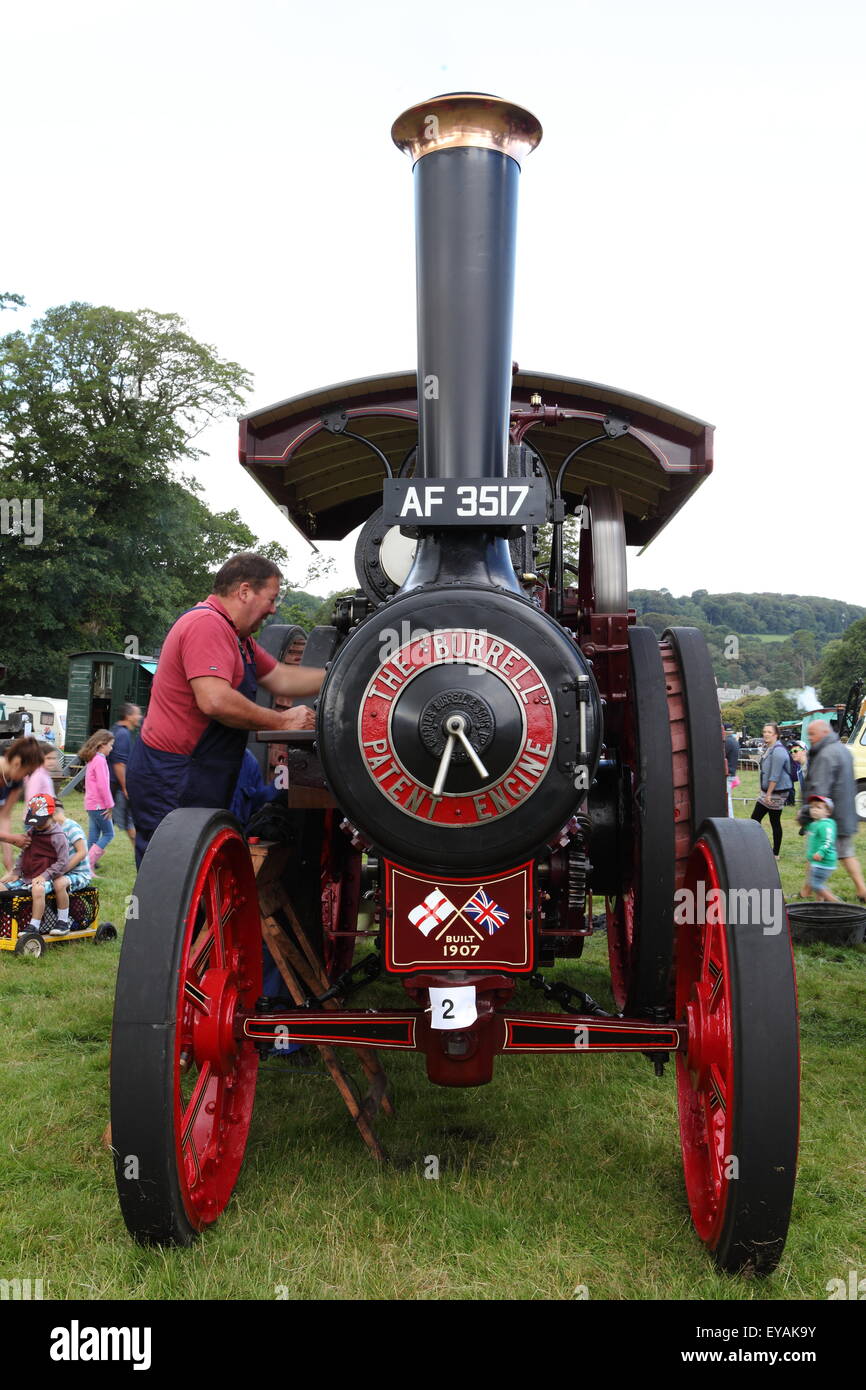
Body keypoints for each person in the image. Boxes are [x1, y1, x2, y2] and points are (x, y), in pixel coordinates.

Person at [127, 553, 324, 866]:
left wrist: (345, 677)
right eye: (271, 599)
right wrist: (282, 719)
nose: (273, 609)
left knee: (200, 876)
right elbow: (215, 700)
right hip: (173, 775)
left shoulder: (238, 638)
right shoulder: (206, 625)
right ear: (244, 591)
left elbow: (282, 678)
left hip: (199, 775)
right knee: (172, 879)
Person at [799, 719, 866, 903]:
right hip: (844, 812)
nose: (810, 738)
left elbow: (820, 788)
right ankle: (861, 890)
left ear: (824, 733)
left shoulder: (826, 754)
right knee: (846, 854)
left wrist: (806, 813)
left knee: (817, 852)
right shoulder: (843, 750)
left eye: (812, 734)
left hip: (828, 816)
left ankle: (819, 896)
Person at [0, 792, 69, 934]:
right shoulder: (32, 833)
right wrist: (16, 872)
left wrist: (44, 876)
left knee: (37, 889)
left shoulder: (58, 837)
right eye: (34, 822)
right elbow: (24, 853)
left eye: (40, 822)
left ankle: (34, 926)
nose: (36, 826)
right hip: (27, 877)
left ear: (51, 815)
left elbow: (63, 862)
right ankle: (7, 923)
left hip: (48, 878)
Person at [45, 796, 93, 936]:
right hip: (62, 872)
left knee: (59, 883)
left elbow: (82, 852)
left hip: (79, 873)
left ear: (53, 814)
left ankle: (63, 922)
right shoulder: (53, 830)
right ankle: (48, 920)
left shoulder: (70, 826)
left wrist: (62, 870)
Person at [0, 735, 42, 873]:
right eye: (28, 771)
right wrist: (11, 839)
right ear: (17, 762)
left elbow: (4, 817)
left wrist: (9, 862)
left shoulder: (14, 779)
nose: (26, 776)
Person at [750, 721, 792, 857]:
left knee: (770, 820)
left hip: (776, 793)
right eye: (764, 731)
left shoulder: (778, 751)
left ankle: (775, 853)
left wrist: (767, 794)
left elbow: (775, 775)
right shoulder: (770, 748)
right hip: (769, 791)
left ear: (776, 734)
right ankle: (761, 848)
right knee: (757, 819)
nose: (766, 734)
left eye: (769, 732)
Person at [80, 729, 115, 872]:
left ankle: (83, 865)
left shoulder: (93, 759)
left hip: (91, 804)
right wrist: (110, 805)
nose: (111, 748)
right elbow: (103, 785)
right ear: (102, 744)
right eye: (111, 745)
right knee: (108, 834)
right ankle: (88, 867)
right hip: (100, 805)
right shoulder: (100, 761)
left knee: (93, 836)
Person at [109, 703, 142, 847]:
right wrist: (125, 787)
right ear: (128, 716)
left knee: (108, 823)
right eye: (137, 714)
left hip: (113, 785)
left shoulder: (116, 729)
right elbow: (119, 764)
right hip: (116, 785)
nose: (139, 717)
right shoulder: (122, 734)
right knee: (127, 820)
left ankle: (90, 856)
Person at [800, 794, 840, 902]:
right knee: (818, 884)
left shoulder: (826, 825)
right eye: (812, 807)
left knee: (816, 884)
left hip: (824, 861)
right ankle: (821, 905)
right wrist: (801, 820)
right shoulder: (815, 824)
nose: (814, 810)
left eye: (819, 807)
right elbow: (807, 827)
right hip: (817, 862)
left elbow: (828, 840)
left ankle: (835, 902)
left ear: (828, 812)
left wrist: (821, 852)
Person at [723, 722, 739, 816]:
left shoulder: (727, 742)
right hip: (732, 772)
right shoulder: (733, 740)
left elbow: (721, 755)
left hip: (728, 773)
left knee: (727, 799)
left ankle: (730, 818)